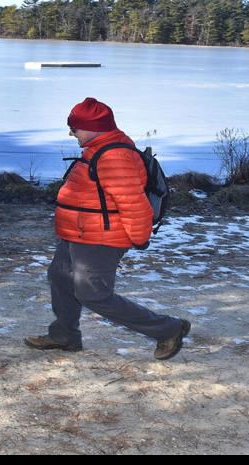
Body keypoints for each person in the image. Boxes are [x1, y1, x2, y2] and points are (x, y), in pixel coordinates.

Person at [24, 97, 190, 361]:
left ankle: (168, 329)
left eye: (75, 128)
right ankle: (64, 335)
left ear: (93, 127)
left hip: (100, 238)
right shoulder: (99, 150)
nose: (71, 133)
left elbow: (134, 204)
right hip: (79, 234)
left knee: (94, 295)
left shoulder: (115, 156)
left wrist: (139, 237)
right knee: (60, 277)